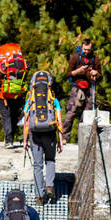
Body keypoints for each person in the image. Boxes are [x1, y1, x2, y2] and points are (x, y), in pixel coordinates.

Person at [21, 70, 63, 206]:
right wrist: (61, 141)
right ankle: (50, 186)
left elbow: (26, 122)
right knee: (50, 160)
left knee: (37, 166)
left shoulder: (30, 100)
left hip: (35, 135)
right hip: (50, 134)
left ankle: (39, 197)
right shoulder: (53, 99)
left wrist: (25, 141)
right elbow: (59, 121)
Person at [0, 43, 28, 148]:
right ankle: (12, 138)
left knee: (6, 117)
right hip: (17, 95)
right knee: (14, 117)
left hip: (3, 96)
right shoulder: (22, 64)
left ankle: (9, 141)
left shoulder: (1, 66)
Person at [61, 39, 102, 144]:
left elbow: (100, 76)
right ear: (82, 47)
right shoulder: (75, 57)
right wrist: (78, 71)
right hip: (77, 87)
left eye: (88, 50)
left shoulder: (95, 58)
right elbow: (68, 74)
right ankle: (64, 137)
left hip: (90, 87)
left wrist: (96, 73)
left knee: (88, 114)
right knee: (71, 112)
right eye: (85, 49)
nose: (86, 52)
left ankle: (84, 138)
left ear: (91, 48)